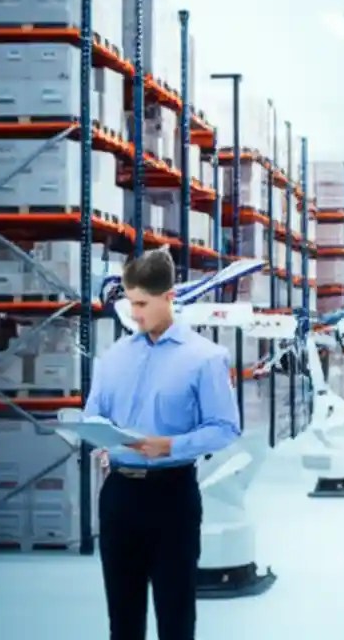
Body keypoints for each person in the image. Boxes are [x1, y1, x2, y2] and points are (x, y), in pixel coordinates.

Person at [84, 249, 242, 640]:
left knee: (175, 618)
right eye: (130, 303)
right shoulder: (113, 357)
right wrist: (98, 440)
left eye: (142, 304)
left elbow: (225, 428)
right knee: (122, 620)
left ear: (169, 297)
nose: (134, 314)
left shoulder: (205, 358)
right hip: (118, 495)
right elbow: (93, 414)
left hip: (172, 498)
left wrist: (170, 445)